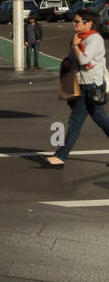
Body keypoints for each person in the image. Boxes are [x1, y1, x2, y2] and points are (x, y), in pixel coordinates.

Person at [45, 9, 109, 166]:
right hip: (82, 84)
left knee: (75, 121)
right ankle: (60, 156)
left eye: (77, 21)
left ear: (88, 24)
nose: (73, 23)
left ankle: (60, 156)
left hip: (91, 85)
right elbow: (73, 59)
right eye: (74, 21)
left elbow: (84, 60)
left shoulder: (95, 39)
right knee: (103, 122)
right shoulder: (80, 37)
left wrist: (75, 46)